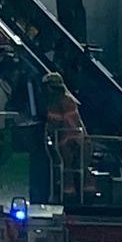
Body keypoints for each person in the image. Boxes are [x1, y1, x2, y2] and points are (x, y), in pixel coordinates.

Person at [42, 71, 87, 199]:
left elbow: (54, 123)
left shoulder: (55, 103)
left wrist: (47, 132)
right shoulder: (70, 100)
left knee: (65, 168)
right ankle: (85, 192)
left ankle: (68, 193)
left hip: (65, 141)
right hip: (81, 140)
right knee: (81, 168)